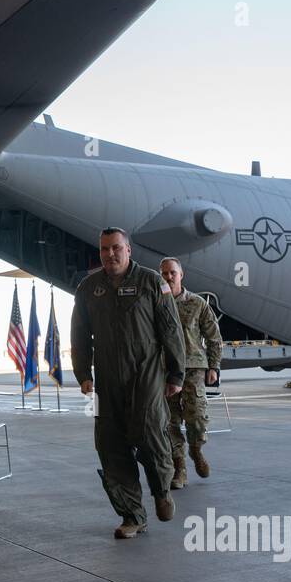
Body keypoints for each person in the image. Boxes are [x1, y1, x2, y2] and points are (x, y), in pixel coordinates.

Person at [71, 227, 186, 539]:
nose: (110, 254)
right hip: (107, 381)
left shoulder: (151, 282)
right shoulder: (89, 287)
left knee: (151, 438)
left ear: (128, 250)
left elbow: (171, 330)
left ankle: (162, 490)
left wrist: (176, 374)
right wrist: (83, 373)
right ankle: (133, 516)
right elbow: (79, 335)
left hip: (145, 376)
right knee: (110, 448)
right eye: (105, 249)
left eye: (116, 248)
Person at [159, 258, 223, 487]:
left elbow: (214, 337)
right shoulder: (156, 304)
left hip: (193, 368)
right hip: (165, 371)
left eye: (172, 273)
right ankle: (180, 469)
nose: (168, 277)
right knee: (170, 421)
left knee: (196, 418)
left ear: (181, 274)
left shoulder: (197, 303)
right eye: (164, 273)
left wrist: (214, 367)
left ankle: (196, 451)